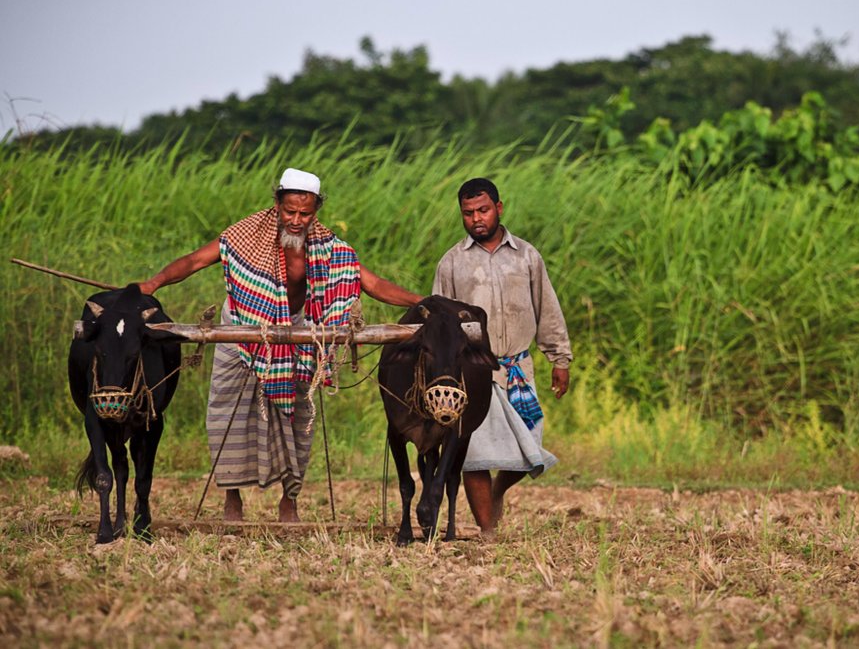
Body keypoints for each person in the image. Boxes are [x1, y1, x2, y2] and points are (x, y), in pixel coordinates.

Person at [138, 168, 422, 522]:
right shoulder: (244, 235)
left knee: (298, 416)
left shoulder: (331, 248)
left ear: (316, 210)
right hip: (240, 327)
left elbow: (374, 284)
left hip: (300, 330)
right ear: (277, 203)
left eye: (305, 213)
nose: (296, 220)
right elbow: (195, 260)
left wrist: (423, 302)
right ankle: (232, 497)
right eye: (290, 211)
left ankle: (290, 499)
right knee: (228, 410)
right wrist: (154, 283)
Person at [432, 177, 572, 533]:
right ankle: (487, 532)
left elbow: (547, 308)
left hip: (518, 367)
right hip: (471, 370)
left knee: (529, 451)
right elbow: (439, 323)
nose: (476, 218)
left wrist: (559, 358)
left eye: (483, 210)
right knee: (475, 454)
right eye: (468, 213)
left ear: (499, 208)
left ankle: (499, 490)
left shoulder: (526, 256)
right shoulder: (451, 263)